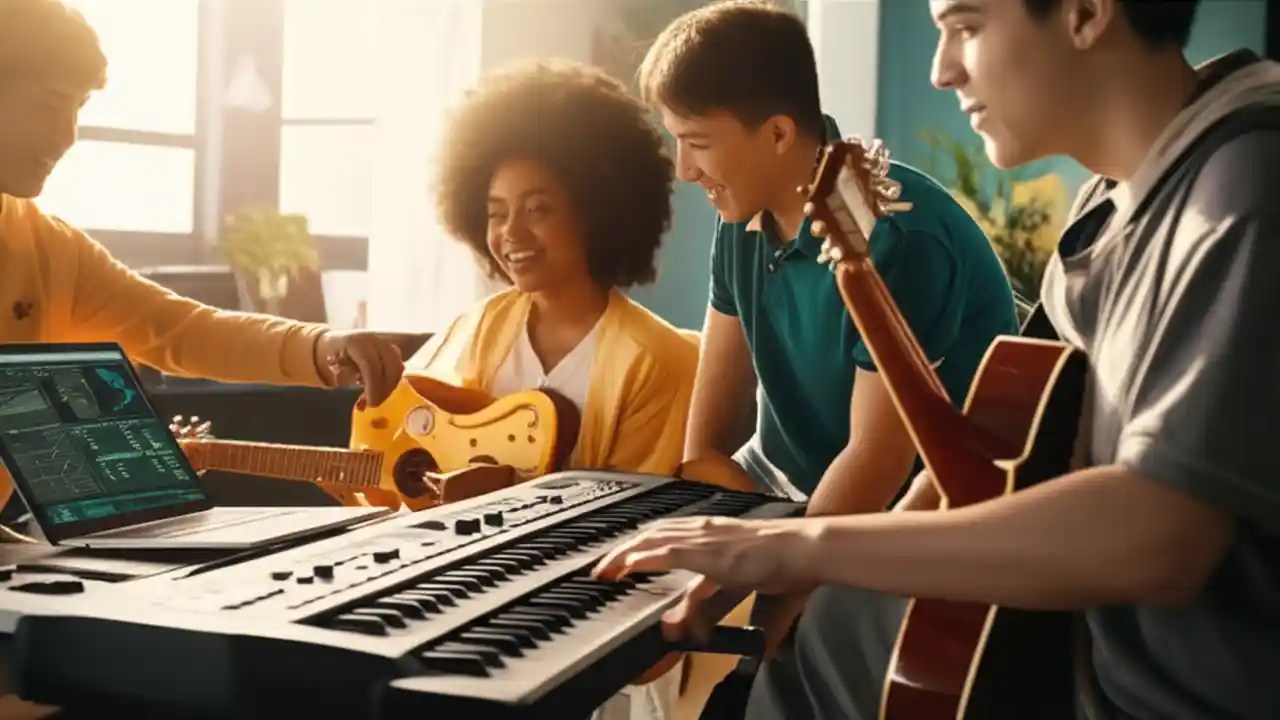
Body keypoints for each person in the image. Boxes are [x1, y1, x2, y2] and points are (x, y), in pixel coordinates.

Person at [596, 1, 1280, 719]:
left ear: (1084, 12)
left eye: (967, 26)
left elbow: (1161, 538)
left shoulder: (1245, 188)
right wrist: (774, 555)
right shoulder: (1110, 206)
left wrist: (801, 548)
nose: (941, 68)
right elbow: (981, 459)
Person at [632, 0, 1018, 680]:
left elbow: (877, 459)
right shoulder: (740, 220)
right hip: (792, 514)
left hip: (905, 543)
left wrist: (773, 589)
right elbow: (706, 448)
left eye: (696, 141)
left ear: (779, 134)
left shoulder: (896, 235)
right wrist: (718, 550)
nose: (682, 170)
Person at [0, 0, 405, 517]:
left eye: (78, 109)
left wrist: (322, 346)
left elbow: (183, 330)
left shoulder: (50, 247)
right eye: (47, 105)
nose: (67, 136)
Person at [398, 59, 699, 719]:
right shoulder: (476, 328)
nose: (511, 235)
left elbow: (638, 533)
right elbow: (412, 449)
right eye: (496, 212)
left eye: (539, 209)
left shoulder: (660, 359)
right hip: (460, 614)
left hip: (586, 639)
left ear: (597, 210)